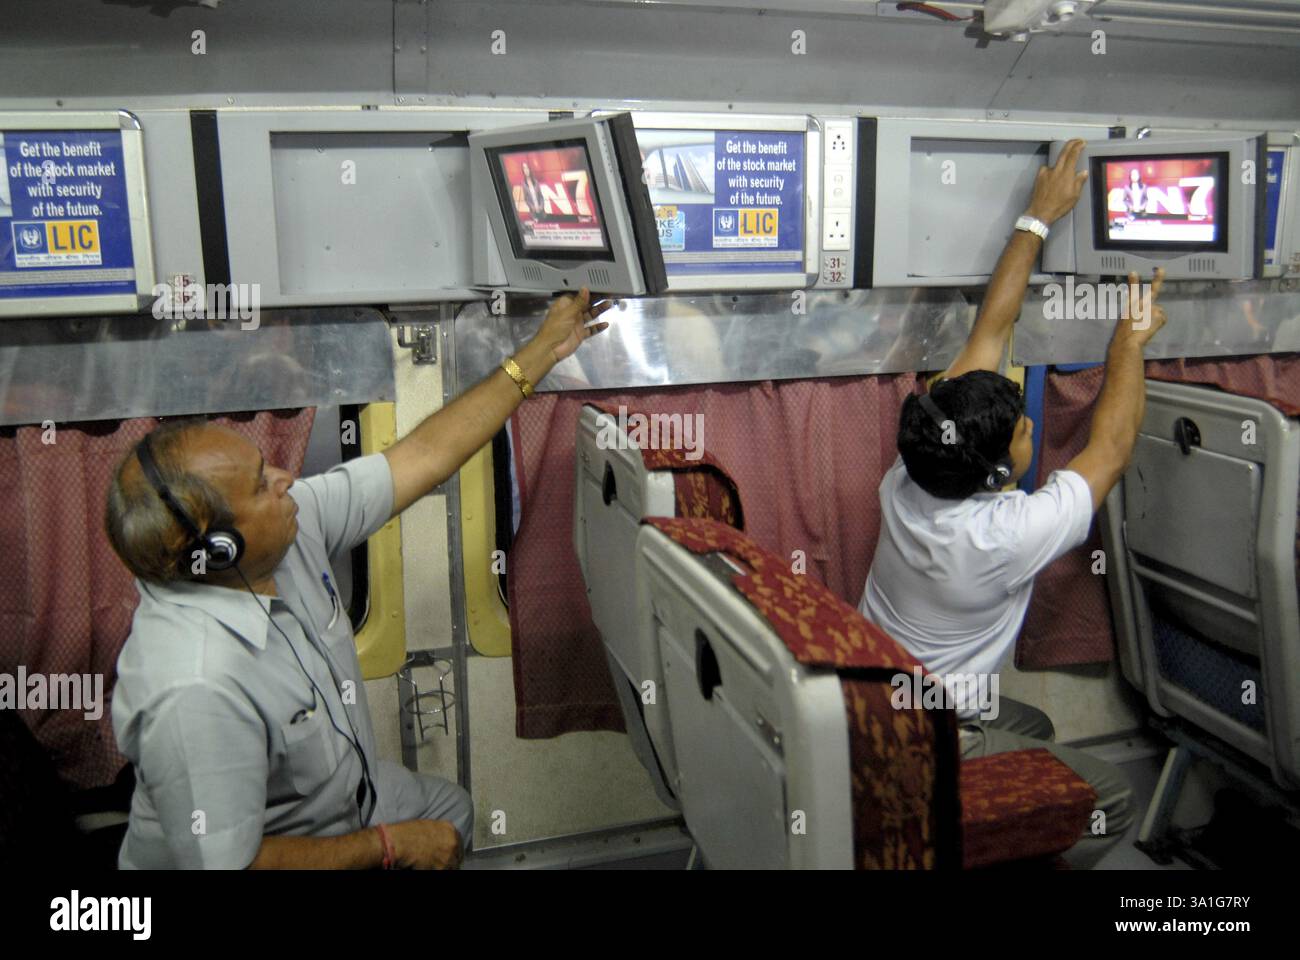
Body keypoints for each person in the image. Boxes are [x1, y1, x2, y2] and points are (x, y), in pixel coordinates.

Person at [106, 289, 612, 869]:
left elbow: (422, 456)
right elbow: (232, 866)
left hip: (349, 796)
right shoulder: (193, 686)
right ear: (217, 548)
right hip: (274, 854)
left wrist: (541, 353)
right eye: (258, 484)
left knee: (451, 811)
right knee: (432, 834)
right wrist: (388, 847)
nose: (285, 477)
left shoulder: (289, 529)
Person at [858, 139, 1168, 868]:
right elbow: (1112, 447)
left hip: (878, 703)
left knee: (1031, 723)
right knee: (1103, 799)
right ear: (1002, 469)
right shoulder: (1004, 535)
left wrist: (1037, 217)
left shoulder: (913, 471)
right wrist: (1131, 340)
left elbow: (988, 335)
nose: (1033, 428)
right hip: (931, 728)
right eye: (1027, 431)